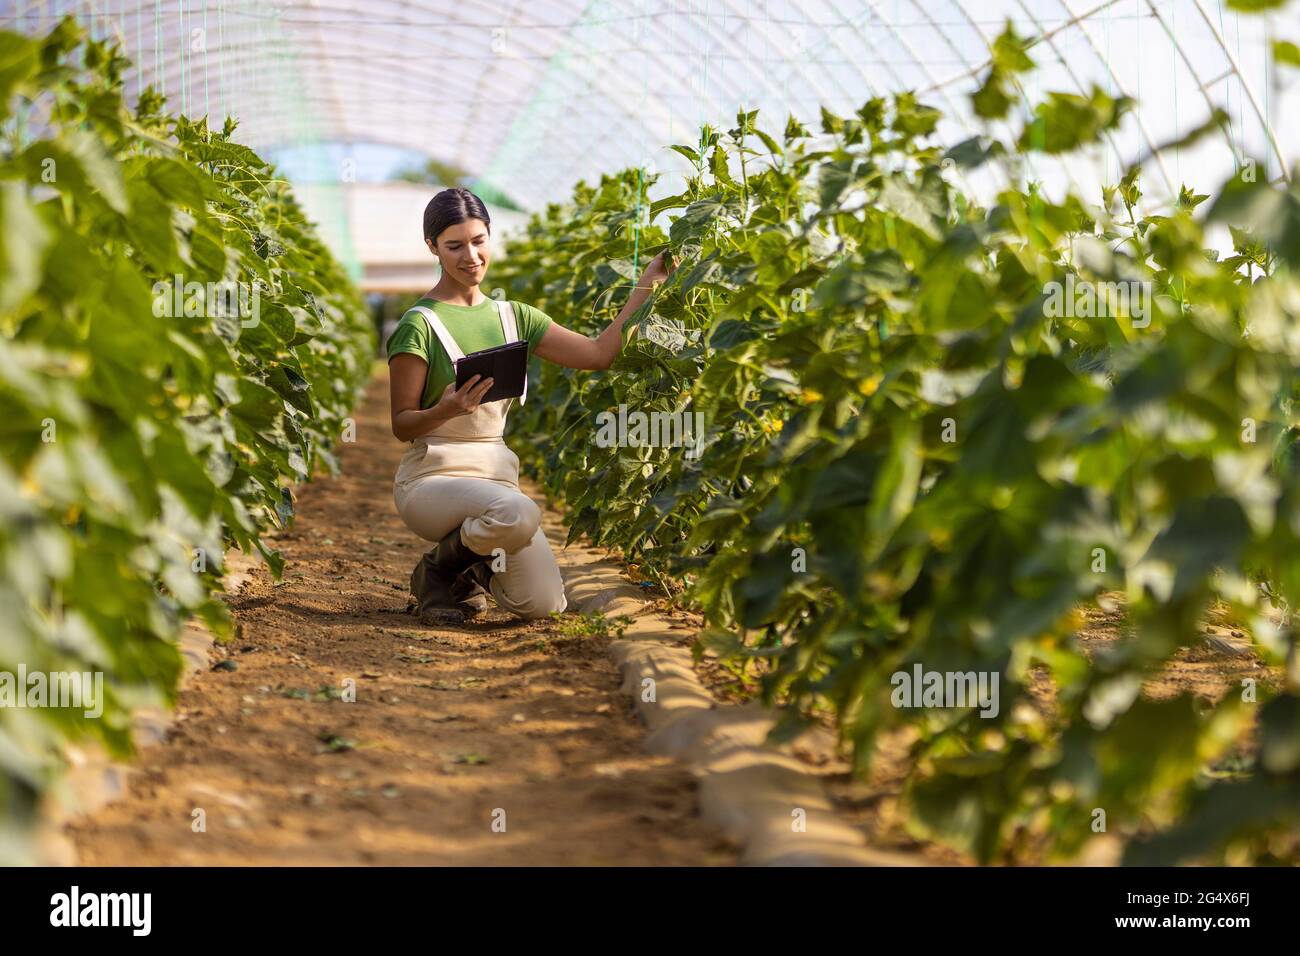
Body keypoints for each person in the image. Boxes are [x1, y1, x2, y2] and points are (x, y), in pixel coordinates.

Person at [387, 187, 673, 625]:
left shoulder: (514, 317)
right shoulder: (419, 325)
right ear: (433, 248)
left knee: (542, 604)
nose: (471, 256)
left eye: (479, 240)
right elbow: (403, 425)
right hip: (431, 480)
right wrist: (446, 408)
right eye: (455, 246)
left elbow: (598, 355)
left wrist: (648, 285)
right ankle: (437, 572)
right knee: (518, 511)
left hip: (496, 480)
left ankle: (471, 563)